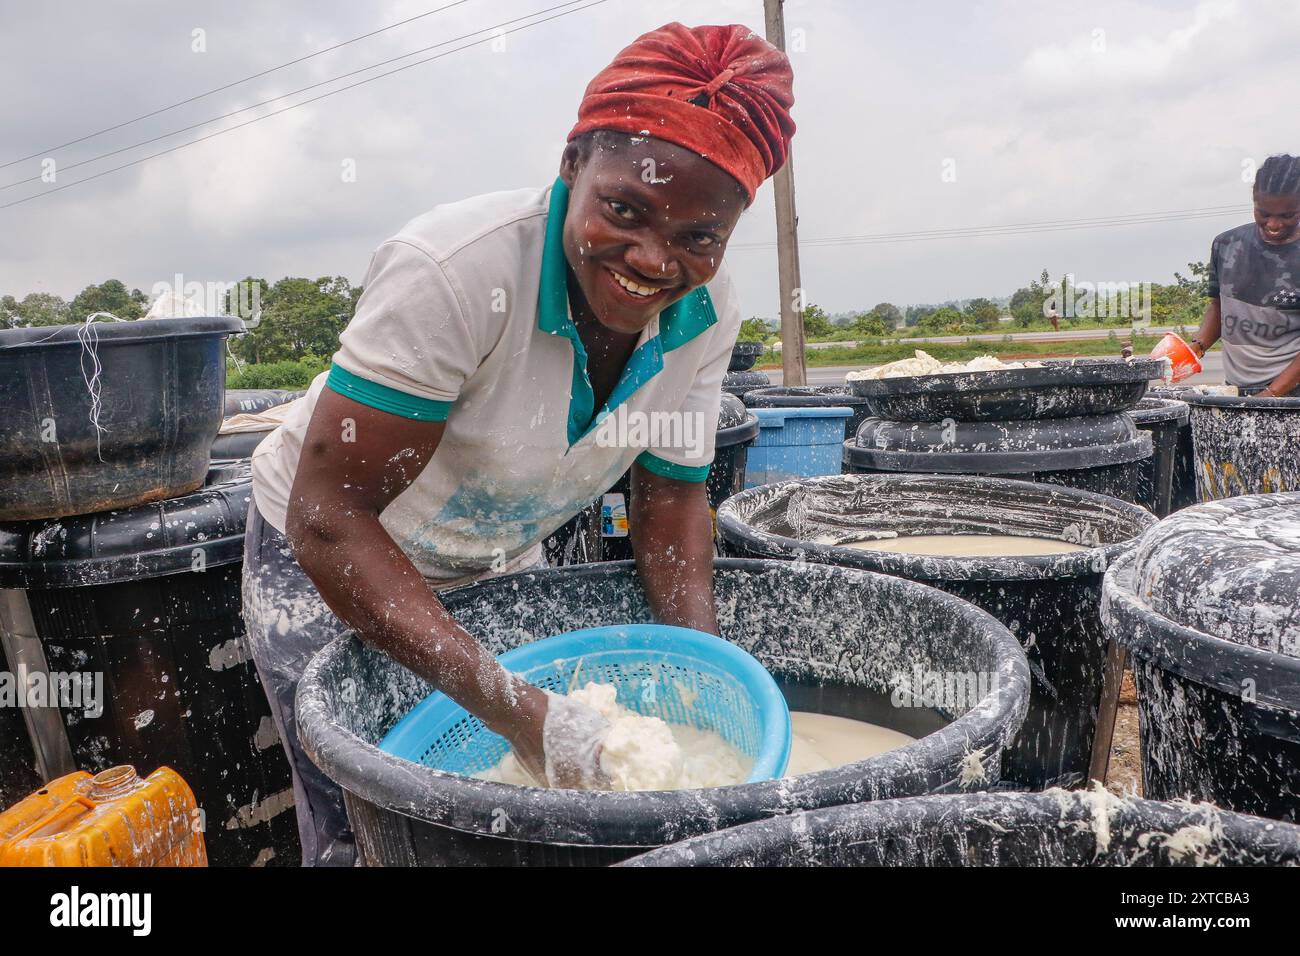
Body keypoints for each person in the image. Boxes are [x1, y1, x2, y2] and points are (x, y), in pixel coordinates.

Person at [240, 21, 796, 865]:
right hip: (331, 555)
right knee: (374, 820)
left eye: (699, 237)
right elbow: (331, 516)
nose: (653, 260)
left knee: (507, 820)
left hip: (491, 554)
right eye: (625, 210)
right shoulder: (457, 274)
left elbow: (672, 497)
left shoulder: (707, 314)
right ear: (573, 164)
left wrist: (704, 678)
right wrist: (521, 712)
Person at [1190, 154, 1300, 397]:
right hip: (1236, 387)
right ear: (1254, 202)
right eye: (1264, 213)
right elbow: (1220, 308)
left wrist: (1272, 394)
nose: (1273, 224)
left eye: (1287, 215)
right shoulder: (1226, 245)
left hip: (1291, 395)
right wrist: (1196, 347)